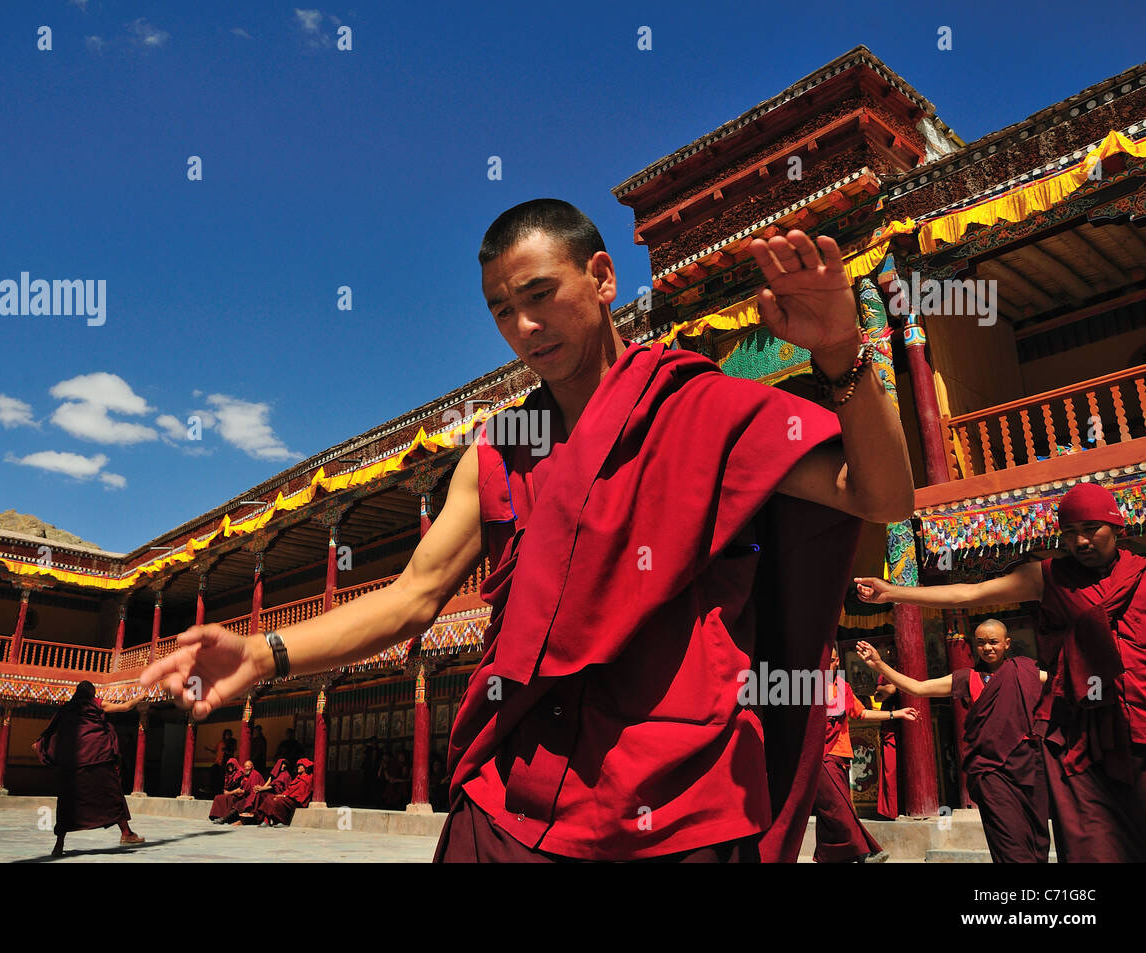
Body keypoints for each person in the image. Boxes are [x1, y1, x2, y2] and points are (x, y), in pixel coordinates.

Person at [143, 199, 914, 862]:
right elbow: (414, 596)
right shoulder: (501, 453)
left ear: (603, 279)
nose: (524, 326)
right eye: (501, 310)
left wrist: (845, 353)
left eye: (540, 295)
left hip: (670, 803)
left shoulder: (703, 410)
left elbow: (881, 496)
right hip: (513, 798)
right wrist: (262, 651)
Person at [856, 481, 1146, 862]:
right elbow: (968, 593)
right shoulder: (1048, 577)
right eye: (1071, 533)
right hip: (1078, 735)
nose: (1081, 541)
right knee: (1094, 844)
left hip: (1138, 722)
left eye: (1091, 529)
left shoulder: (1139, 576)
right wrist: (894, 593)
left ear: (1118, 527)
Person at [856, 621, 1049, 862]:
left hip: (1028, 766)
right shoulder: (967, 677)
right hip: (991, 771)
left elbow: (1059, 683)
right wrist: (879, 664)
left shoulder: (1026, 671)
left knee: (1036, 836)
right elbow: (919, 688)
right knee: (1007, 837)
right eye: (980, 643)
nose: (987, 648)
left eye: (993, 642)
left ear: (1007, 643)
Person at [811, 648, 914, 862]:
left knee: (831, 807)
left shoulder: (842, 687)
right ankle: (864, 852)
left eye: (828, 661)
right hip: (818, 755)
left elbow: (861, 713)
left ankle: (827, 855)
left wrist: (896, 713)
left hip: (840, 753)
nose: (824, 665)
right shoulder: (807, 688)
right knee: (838, 806)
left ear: (836, 661)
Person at [33, 681, 145, 858]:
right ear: (91, 694)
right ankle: (126, 833)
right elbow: (124, 707)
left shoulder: (66, 709)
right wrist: (139, 699)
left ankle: (59, 844)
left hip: (72, 765)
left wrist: (41, 745)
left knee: (67, 802)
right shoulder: (96, 704)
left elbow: (51, 731)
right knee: (112, 794)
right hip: (97, 759)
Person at [870, 676, 901, 820]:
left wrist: (884, 690)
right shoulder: (885, 673)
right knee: (890, 768)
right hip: (890, 724)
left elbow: (889, 690)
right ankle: (890, 810)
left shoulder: (895, 671)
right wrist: (884, 690)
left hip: (902, 722)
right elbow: (878, 697)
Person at [264, 758, 314, 827]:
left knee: (279, 800)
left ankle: (282, 821)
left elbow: (302, 794)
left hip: (296, 800)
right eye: (298, 765)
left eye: (300, 765)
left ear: (305, 767)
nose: (298, 767)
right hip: (288, 796)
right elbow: (289, 789)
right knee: (270, 797)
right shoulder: (298, 777)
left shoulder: (309, 778)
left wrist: (284, 796)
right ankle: (266, 820)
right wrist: (282, 794)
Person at [218, 760, 265, 826]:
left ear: (253, 767)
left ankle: (224, 820)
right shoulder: (247, 776)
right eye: (245, 766)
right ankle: (223, 819)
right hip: (246, 795)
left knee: (241, 804)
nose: (246, 768)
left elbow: (254, 790)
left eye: (248, 766)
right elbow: (244, 788)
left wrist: (248, 798)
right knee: (235, 802)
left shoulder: (255, 775)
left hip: (254, 797)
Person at [253, 757, 293, 827]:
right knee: (261, 795)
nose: (283, 766)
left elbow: (275, 786)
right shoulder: (275, 775)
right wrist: (260, 788)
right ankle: (264, 819)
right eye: (282, 764)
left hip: (282, 795)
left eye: (284, 764)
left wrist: (262, 789)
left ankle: (274, 820)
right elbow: (269, 783)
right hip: (274, 793)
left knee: (269, 798)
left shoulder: (286, 775)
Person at [209, 757, 246, 822]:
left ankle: (226, 818)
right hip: (231, 793)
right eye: (228, 766)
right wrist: (228, 791)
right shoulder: (228, 775)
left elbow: (241, 788)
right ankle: (216, 816)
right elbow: (225, 789)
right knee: (218, 797)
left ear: (234, 765)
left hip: (239, 795)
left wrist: (231, 792)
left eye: (231, 766)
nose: (229, 768)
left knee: (231, 799)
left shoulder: (240, 773)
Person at [204, 729, 235, 796]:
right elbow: (215, 751)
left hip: (226, 762)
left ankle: (223, 790)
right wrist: (208, 749)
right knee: (213, 772)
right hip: (218, 762)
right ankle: (211, 788)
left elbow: (232, 752)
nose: (227, 736)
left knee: (223, 776)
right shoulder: (221, 742)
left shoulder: (232, 742)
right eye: (226, 734)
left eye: (228, 734)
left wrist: (226, 750)